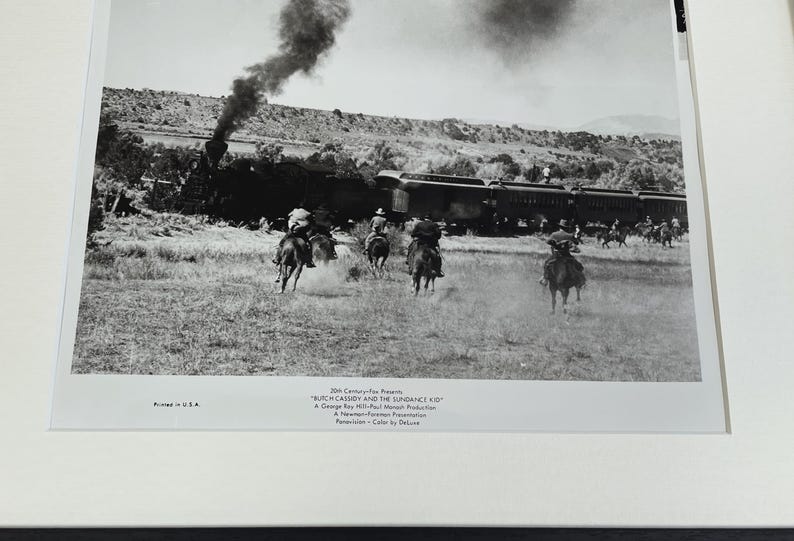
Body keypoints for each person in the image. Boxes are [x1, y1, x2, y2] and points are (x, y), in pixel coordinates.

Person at [539, 219, 583, 286]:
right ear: (567, 227)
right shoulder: (570, 235)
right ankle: (580, 282)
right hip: (567, 256)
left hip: (556, 256)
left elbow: (547, 242)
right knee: (579, 266)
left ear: (560, 227)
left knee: (547, 264)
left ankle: (545, 279)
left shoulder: (554, 234)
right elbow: (576, 242)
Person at [272, 203, 315, 268]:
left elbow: (288, 215)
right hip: (301, 233)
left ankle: (277, 258)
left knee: (281, 243)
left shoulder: (294, 211)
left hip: (291, 232)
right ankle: (309, 261)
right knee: (309, 245)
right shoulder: (307, 213)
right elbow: (310, 223)